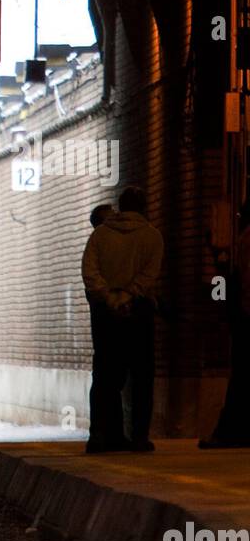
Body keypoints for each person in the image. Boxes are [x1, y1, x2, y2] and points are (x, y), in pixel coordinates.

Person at [81, 186, 163, 453]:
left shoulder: (100, 235)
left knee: (105, 376)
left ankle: (101, 436)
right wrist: (130, 295)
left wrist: (109, 297)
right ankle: (139, 437)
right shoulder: (153, 237)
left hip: (105, 315)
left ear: (120, 206)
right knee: (141, 377)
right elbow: (149, 274)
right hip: (139, 313)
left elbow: (90, 272)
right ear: (143, 207)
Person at [199, 201, 250, 449]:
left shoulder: (245, 240)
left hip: (245, 319)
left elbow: (233, 286)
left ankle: (229, 432)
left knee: (240, 377)